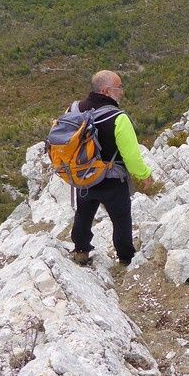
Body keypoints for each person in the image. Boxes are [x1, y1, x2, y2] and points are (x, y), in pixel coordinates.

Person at [68, 70, 154, 266]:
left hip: (84, 176)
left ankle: (81, 249)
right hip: (112, 180)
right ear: (106, 91)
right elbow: (131, 156)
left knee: (83, 213)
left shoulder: (73, 110)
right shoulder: (119, 118)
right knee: (121, 218)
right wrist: (144, 175)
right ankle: (125, 257)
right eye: (119, 87)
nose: (122, 92)